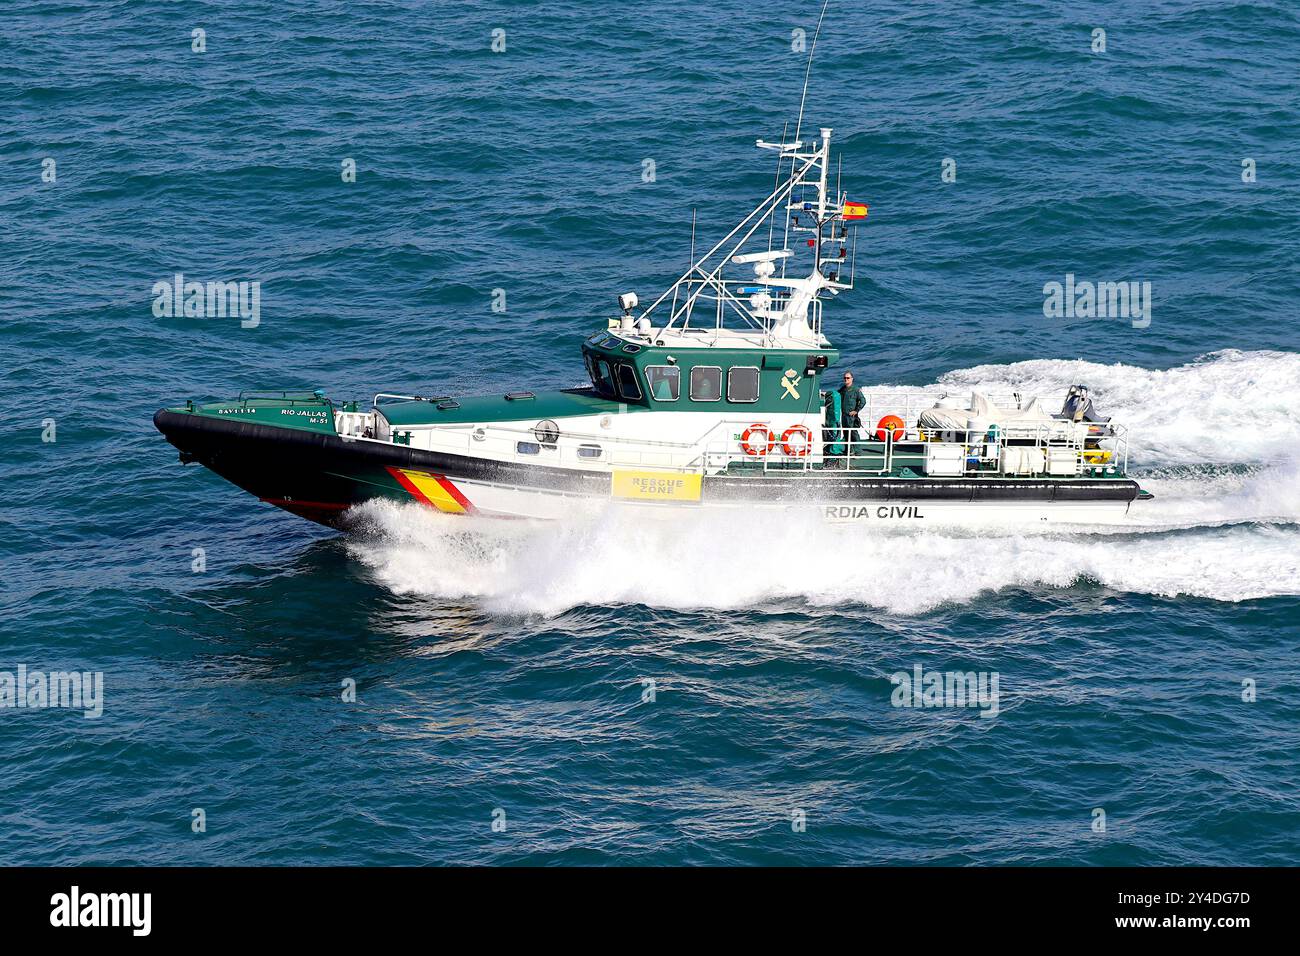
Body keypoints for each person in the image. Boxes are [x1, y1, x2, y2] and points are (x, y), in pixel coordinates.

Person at [838, 371, 865, 455]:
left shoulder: (856, 390)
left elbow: (863, 401)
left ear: (852, 379)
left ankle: (857, 451)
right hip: (844, 415)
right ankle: (848, 450)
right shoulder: (843, 389)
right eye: (845, 378)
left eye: (848, 378)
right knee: (845, 433)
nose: (846, 379)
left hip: (852, 416)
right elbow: (836, 395)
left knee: (853, 433)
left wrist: (856, 411)